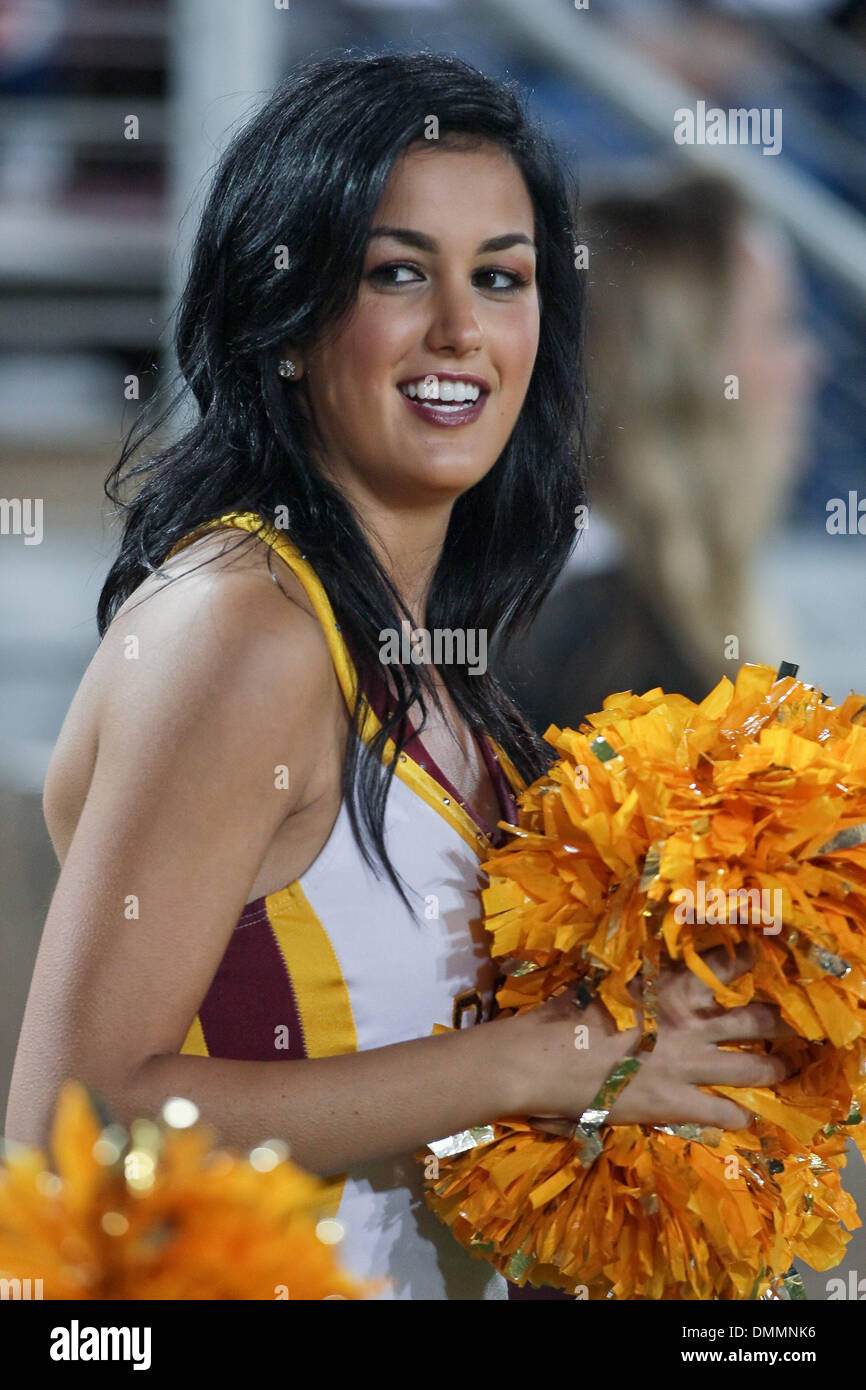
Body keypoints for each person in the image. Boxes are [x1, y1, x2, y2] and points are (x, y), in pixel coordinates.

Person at [5, 54, 796, 1301]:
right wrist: (550, 1059)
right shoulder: (243, 631)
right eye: (396, 272)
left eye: (499, 277)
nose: (458, 331)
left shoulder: (425, 643)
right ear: (288, 310)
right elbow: (78, 1117)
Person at [497, 173, 819, 735]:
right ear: (689, 375)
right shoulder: (598, 643)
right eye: (776, 327)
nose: (807, 364)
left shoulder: (645, 599)